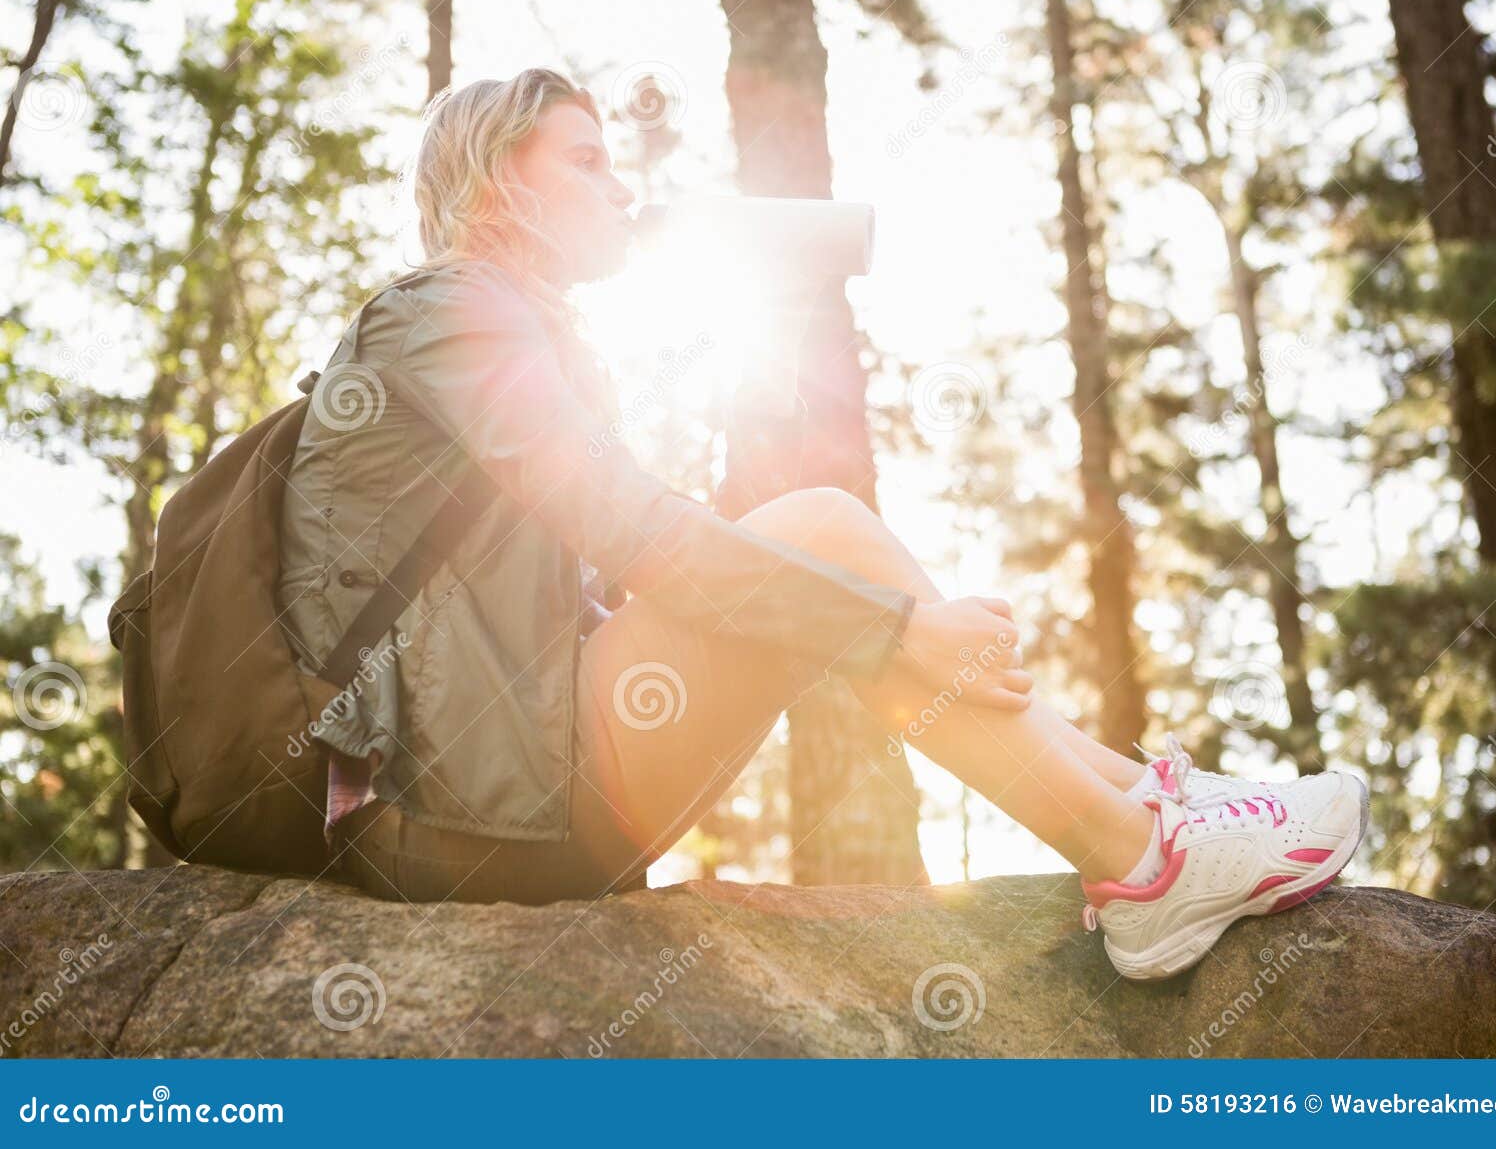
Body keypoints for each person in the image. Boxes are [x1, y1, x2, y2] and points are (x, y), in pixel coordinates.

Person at [275, 68, 1366, 981]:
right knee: (828, 536)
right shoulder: (443, 314)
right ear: (493, 177)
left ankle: (1158, 804)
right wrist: (887, 625)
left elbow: (619, 581)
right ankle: (1146, 866)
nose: (617, 186)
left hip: (503, 779)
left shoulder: (518, 335)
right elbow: (635, 529)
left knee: (819, 542)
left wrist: (866, 617)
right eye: (584, 159)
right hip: (445, 805)